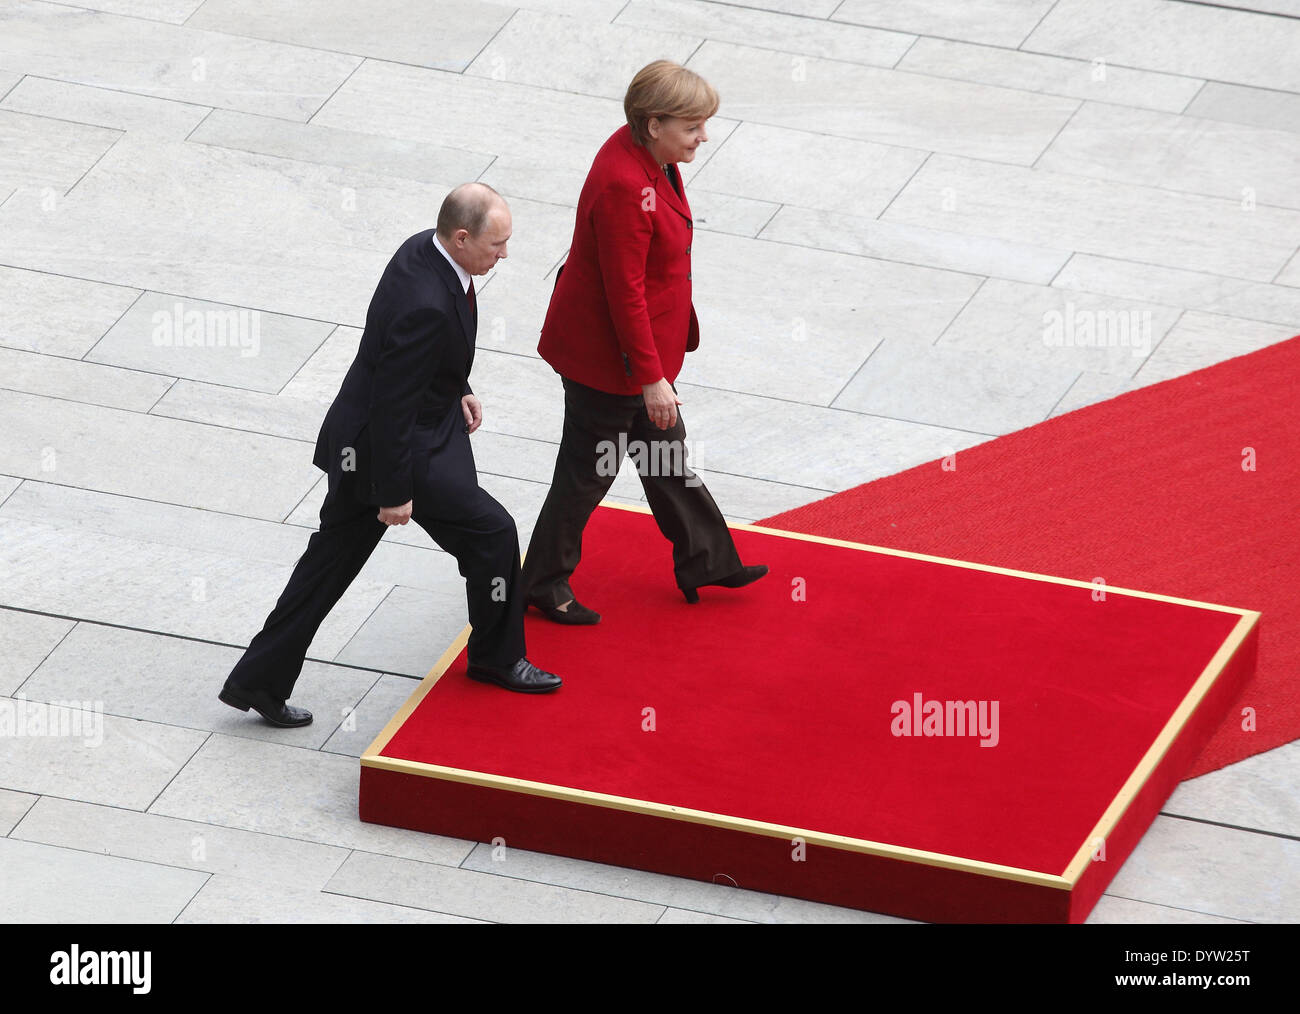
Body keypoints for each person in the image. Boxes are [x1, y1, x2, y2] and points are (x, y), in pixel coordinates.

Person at [220, 183, 561, 728]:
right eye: (497, 245)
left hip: (384, 441)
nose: (504, 255)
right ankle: (498, 659)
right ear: (461, 236)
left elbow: (408, 360)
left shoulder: (424, 251)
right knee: (494, 534)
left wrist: (457, 386)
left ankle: (257, 680)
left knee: (327, 566)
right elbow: (393, 405)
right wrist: (394, 492)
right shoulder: (426, 302)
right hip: (394, 452)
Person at [522, 60, 766, 625]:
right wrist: (652, 378)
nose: (704, 136)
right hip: (609, 361)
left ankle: (706, 559)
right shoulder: (625, 185)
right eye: (693, 127)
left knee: (663, 454)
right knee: (588, 472)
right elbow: (623, 292)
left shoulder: (642, 150)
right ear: (654, 123)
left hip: (632, 351)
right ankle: (541, 582)